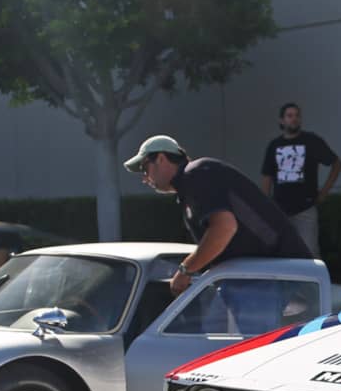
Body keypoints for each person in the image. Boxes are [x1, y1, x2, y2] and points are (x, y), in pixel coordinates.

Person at [125, 135, 310, 334]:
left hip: (265, 275)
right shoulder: (190, 184)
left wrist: (186, 270)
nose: (145, 178)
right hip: (249, 275)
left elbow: (224, 228)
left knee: (254, 352)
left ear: (161, 158)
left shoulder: (196, 174)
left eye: (145, 168)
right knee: (217, 343)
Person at [259, 102, 341, 258]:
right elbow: (267, 177)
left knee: (310, 254)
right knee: (281, 253)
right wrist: (265, 204)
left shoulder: (312, 141)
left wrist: (324, 192)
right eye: (290, 116)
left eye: (297, 115)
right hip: (280, 209)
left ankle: (313, 282)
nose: (294, 119)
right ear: (282, 121)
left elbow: (336, 164)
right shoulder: (274, 146)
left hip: (305, 208)